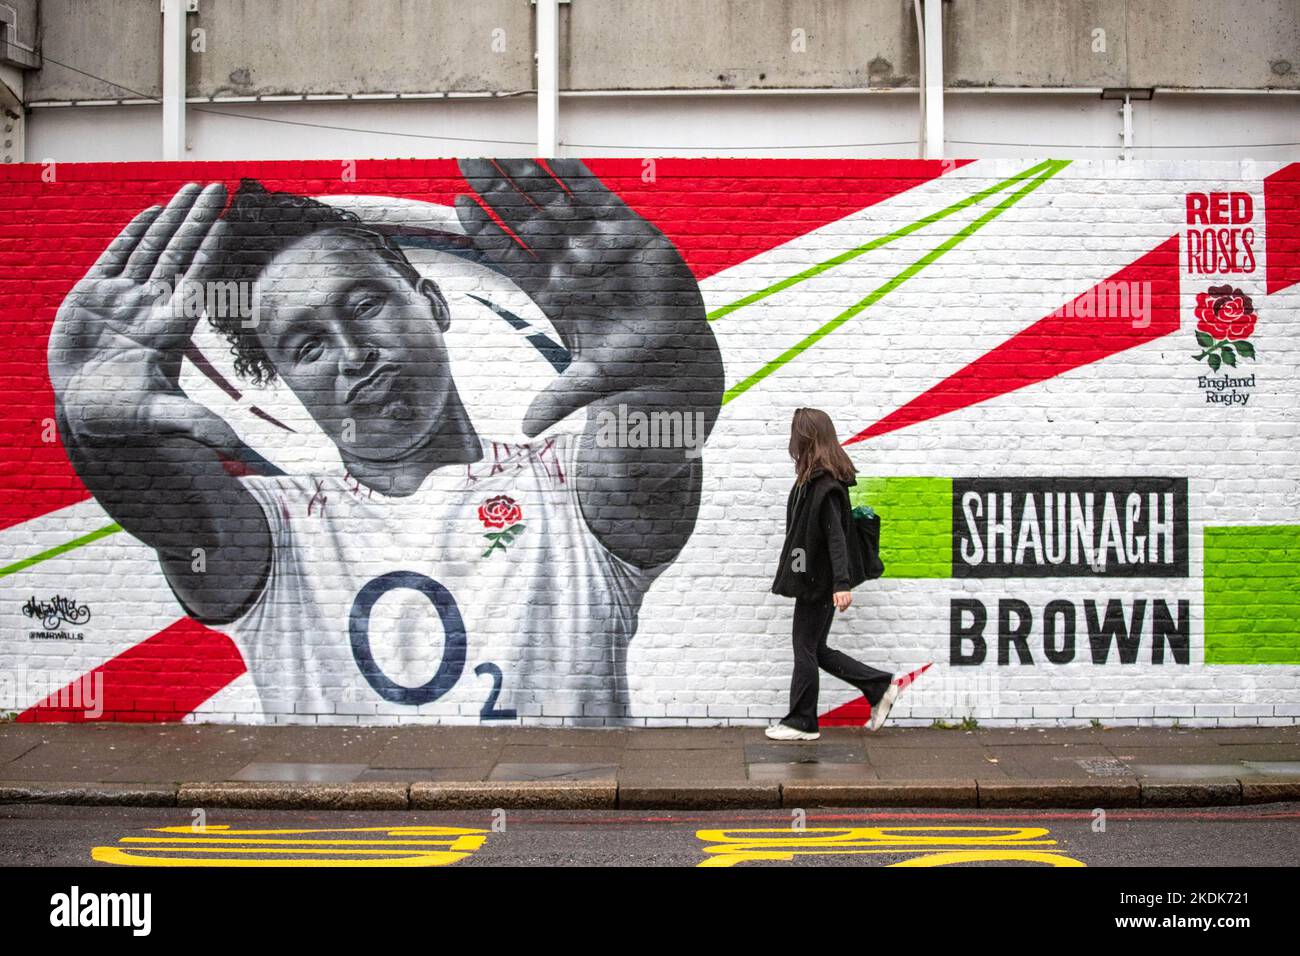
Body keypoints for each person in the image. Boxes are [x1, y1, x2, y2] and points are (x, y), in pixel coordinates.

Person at [46, 160, 724, 721]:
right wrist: (97, 436)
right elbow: (166, 505)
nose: (351, 354)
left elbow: (656, 437)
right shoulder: (274, 533)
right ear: (284, 380)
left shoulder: (572, 487)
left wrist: (677, 362)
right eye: (307, 344)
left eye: (365, 304)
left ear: (431, 303)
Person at [766, 407, 901, 740]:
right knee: (816, 648)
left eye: (796, 433)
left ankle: (802, 721)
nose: (792, 441)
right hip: (815, 579)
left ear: (807, 438)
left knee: (805, 648)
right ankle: (879, 686)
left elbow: (836, 536)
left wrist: (841, 584)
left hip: (820, 582)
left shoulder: (825, 484)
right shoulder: (815, 481)